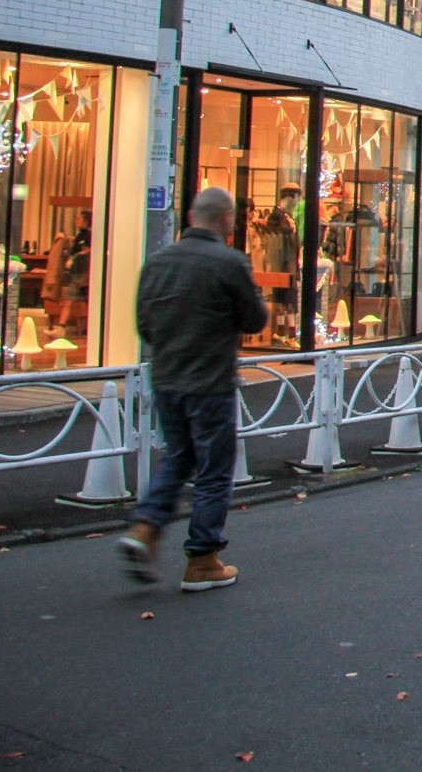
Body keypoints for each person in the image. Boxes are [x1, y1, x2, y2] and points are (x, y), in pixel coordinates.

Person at [117, 188, 266, 591]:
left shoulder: (159, 260)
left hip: (166, 375)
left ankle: (145, 529)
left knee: (178, 457)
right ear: (227, 219)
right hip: (211, 378)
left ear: (190, 215)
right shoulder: (230, 262)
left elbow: (144, 323)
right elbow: (254, 321)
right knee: (215, 468)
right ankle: (202, 558)